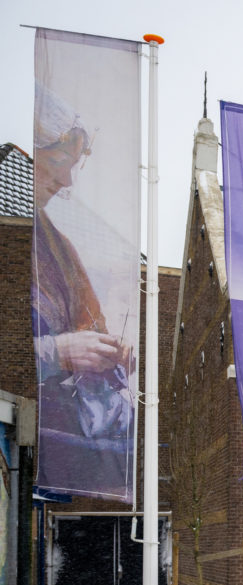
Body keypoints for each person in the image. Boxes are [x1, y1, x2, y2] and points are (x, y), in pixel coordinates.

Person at [32, 90, 135, 497]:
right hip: (31, 440)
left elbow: (89, 323)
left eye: (72, 167)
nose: (66, 180)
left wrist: (109, 348)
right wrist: (57, 352)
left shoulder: (59, 247)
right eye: (58, 163)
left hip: (61, 451)